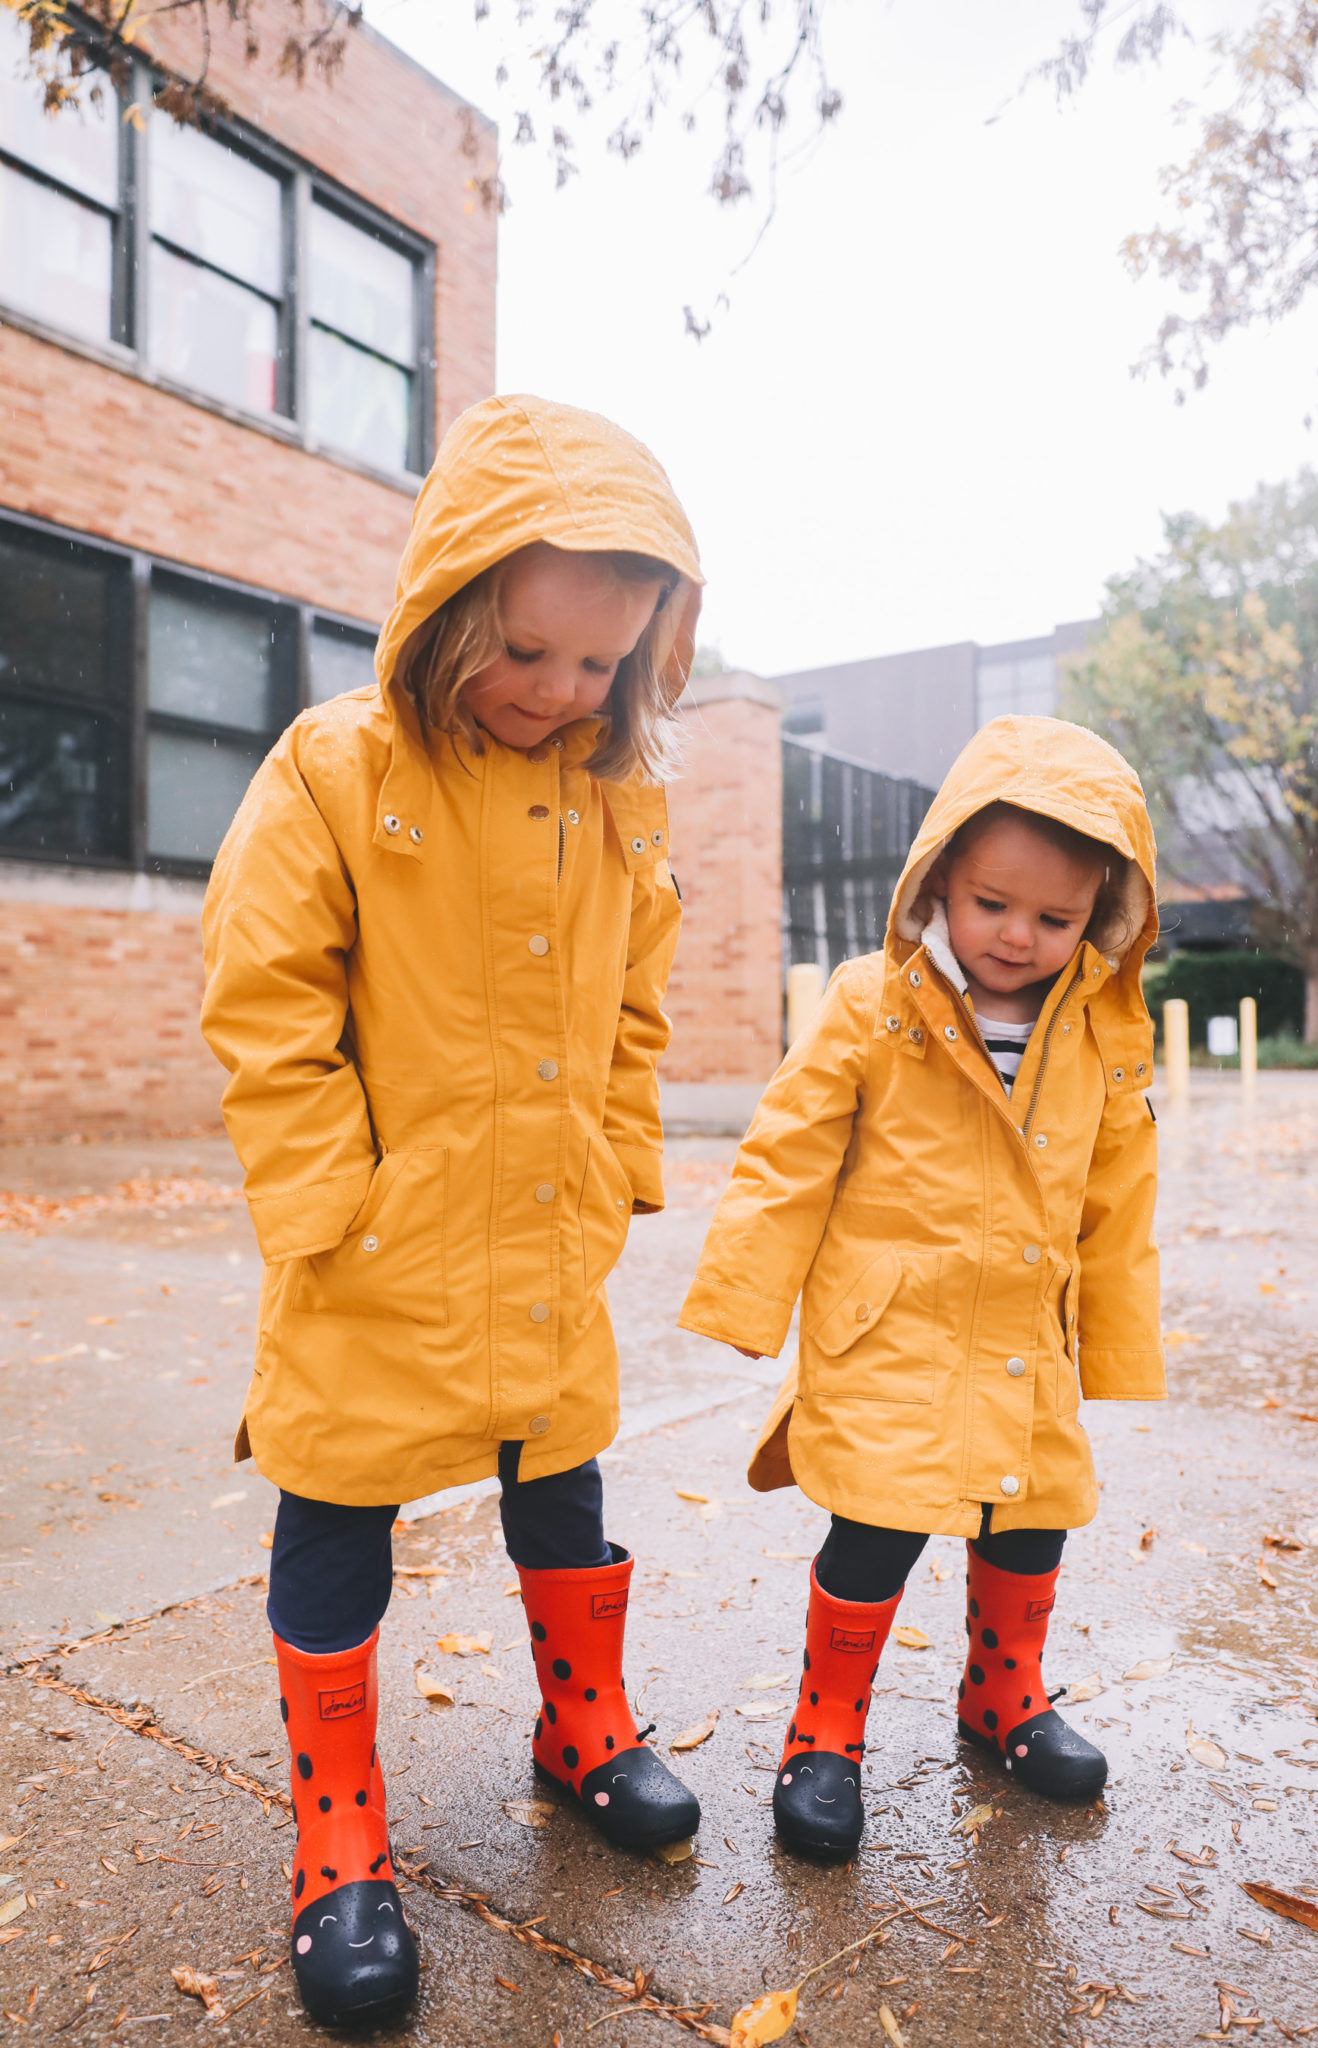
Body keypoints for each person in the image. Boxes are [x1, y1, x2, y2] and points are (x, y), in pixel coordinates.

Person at [201, 396, 705, 2028]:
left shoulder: (620, 802)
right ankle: (340, 1827)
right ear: (450, 611)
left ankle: (582, 1726)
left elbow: (639, 1008)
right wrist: (323, 1209)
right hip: (376, 1241)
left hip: (547, 1232)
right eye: (532, 651)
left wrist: (621, 1157)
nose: (562, 693)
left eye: (601, 666)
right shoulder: (337, 769)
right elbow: (266, 1005)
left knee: (561, 1472)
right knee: (336, 1487)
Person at [678, 716, 1164, 1860]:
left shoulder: (1098, 1031)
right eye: (993, 901)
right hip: (893, 1326)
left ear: (1099, 917)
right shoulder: (871, 1003)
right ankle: (824, 1729)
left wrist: (1117, 1345)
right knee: (877, 1530)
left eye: (1055, 918)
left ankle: (1006, 1695)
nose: (1017, 934)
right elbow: (788, 1150)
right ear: (942, 874)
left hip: (1023, 1337)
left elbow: (1120, 1192)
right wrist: (745, 1297)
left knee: (1033, 1521)